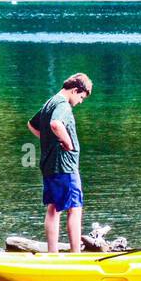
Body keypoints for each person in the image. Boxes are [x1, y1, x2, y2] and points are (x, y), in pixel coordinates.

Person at [28, 73, 92, 253]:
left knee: (53, 208)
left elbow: (31, 124)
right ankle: (75, 254)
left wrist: (49, 140)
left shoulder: (50, 102)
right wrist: (68, 143)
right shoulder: (63, 105)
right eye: (81, 97)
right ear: (75, 90)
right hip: (65, 165)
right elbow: (56, 124)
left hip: (49, 164)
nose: (80, 102)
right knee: (75, 208)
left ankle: (53, 253)